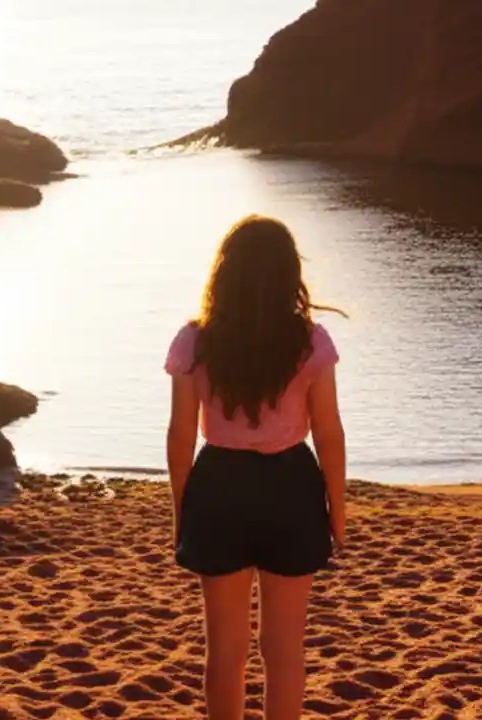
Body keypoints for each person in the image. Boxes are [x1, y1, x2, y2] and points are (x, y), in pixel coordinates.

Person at [164, 215, 347, 720]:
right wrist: (338, 508)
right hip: (291, 487)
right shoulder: (310, 343)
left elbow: (181, 436)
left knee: (225, 650)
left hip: (219, 486)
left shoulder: (195, 342)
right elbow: (328, 431)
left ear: (224, 275)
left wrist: (182, 509)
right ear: (291, 276)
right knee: (283, 649)